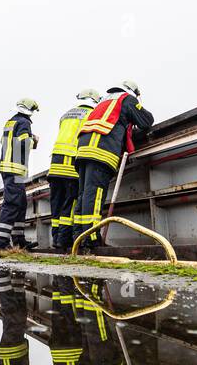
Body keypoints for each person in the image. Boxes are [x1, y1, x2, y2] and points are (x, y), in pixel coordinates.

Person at [73, 80, 154, 254]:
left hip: (83, 151)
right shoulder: (127, 99)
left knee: (83, 196)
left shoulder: (103, 101)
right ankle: (91, 240)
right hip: (101, 151)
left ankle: (78, 239)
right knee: (94, 197)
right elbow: (147, 121)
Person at [48, 89, 101, 253]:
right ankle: (64, 240)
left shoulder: (66, 114)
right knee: (71, 202)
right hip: (71, 161)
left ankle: (56, 238)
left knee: (56, 203)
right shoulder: (91, 113)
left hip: (55, 163)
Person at [0, 98, 39, 250]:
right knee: (12, 204)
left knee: (21, 203)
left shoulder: (10, 122)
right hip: (15, 169)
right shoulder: (24, 123)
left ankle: (19, 240)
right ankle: (2, 243)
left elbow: (5, 142)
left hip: (10, 168)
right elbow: (24, 143)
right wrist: (34, 140)